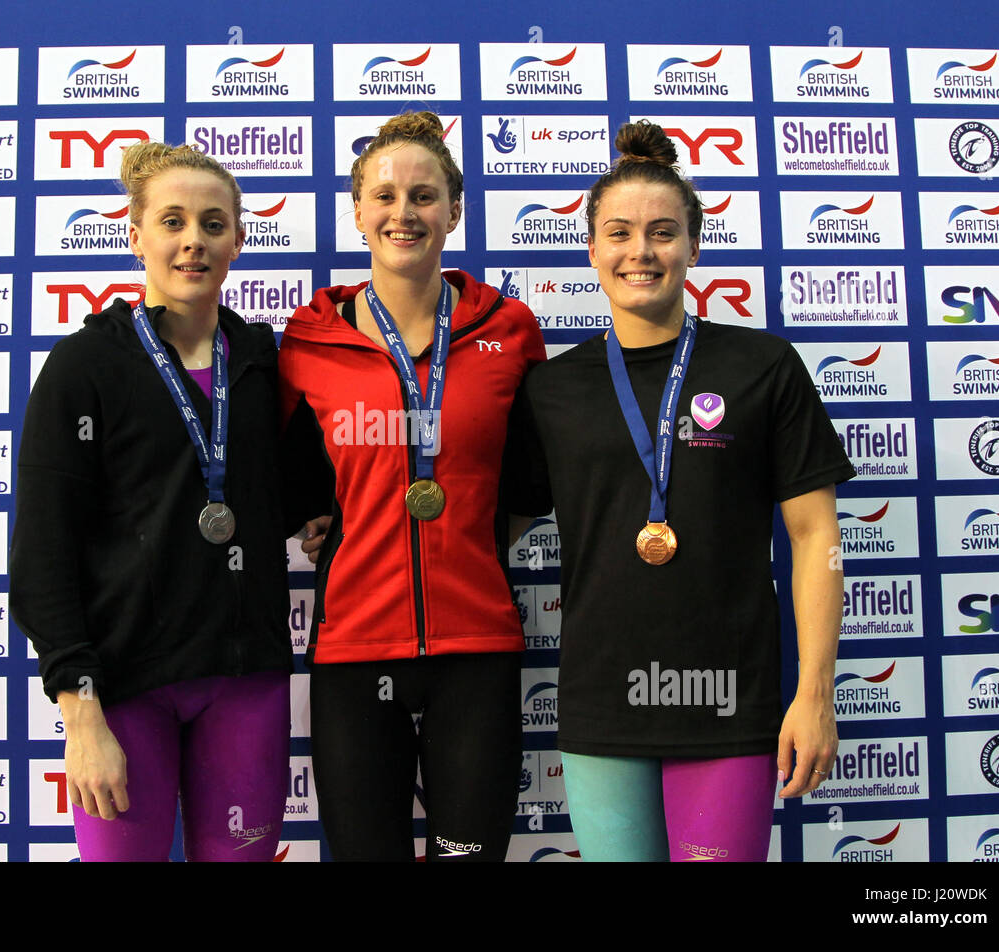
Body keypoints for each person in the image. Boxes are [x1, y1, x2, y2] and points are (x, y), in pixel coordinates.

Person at [513, 121, 855, 862]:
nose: (641, 251)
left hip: (726, 696)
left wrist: (816, 693)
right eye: (620, 233)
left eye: (664, 232)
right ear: (593, 249)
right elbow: (496, 523)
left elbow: (815, 537)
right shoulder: (551, 388)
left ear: (694, 248)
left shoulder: (762, 367)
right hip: (602, 698)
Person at [9, 142, 292, 861]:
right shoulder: (85, 365)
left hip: (244, 684)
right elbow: (42, 551)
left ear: (238, 239)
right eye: (172, 221)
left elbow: (299, 489)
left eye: (212, 222)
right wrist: (80, 716)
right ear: (136, 236)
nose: (193, 239)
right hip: (123, 691)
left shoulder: (263, 363)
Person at [278, 111, 547, 861]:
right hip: (354, 649)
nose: (405, 213)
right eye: (386, 196)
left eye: (425, 196)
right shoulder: (308, 341)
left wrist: (466, 543)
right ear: (358, 212)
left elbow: (531, 484)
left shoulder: (509, 330)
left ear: (455, 210)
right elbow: (296, 485)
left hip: (478, 647)